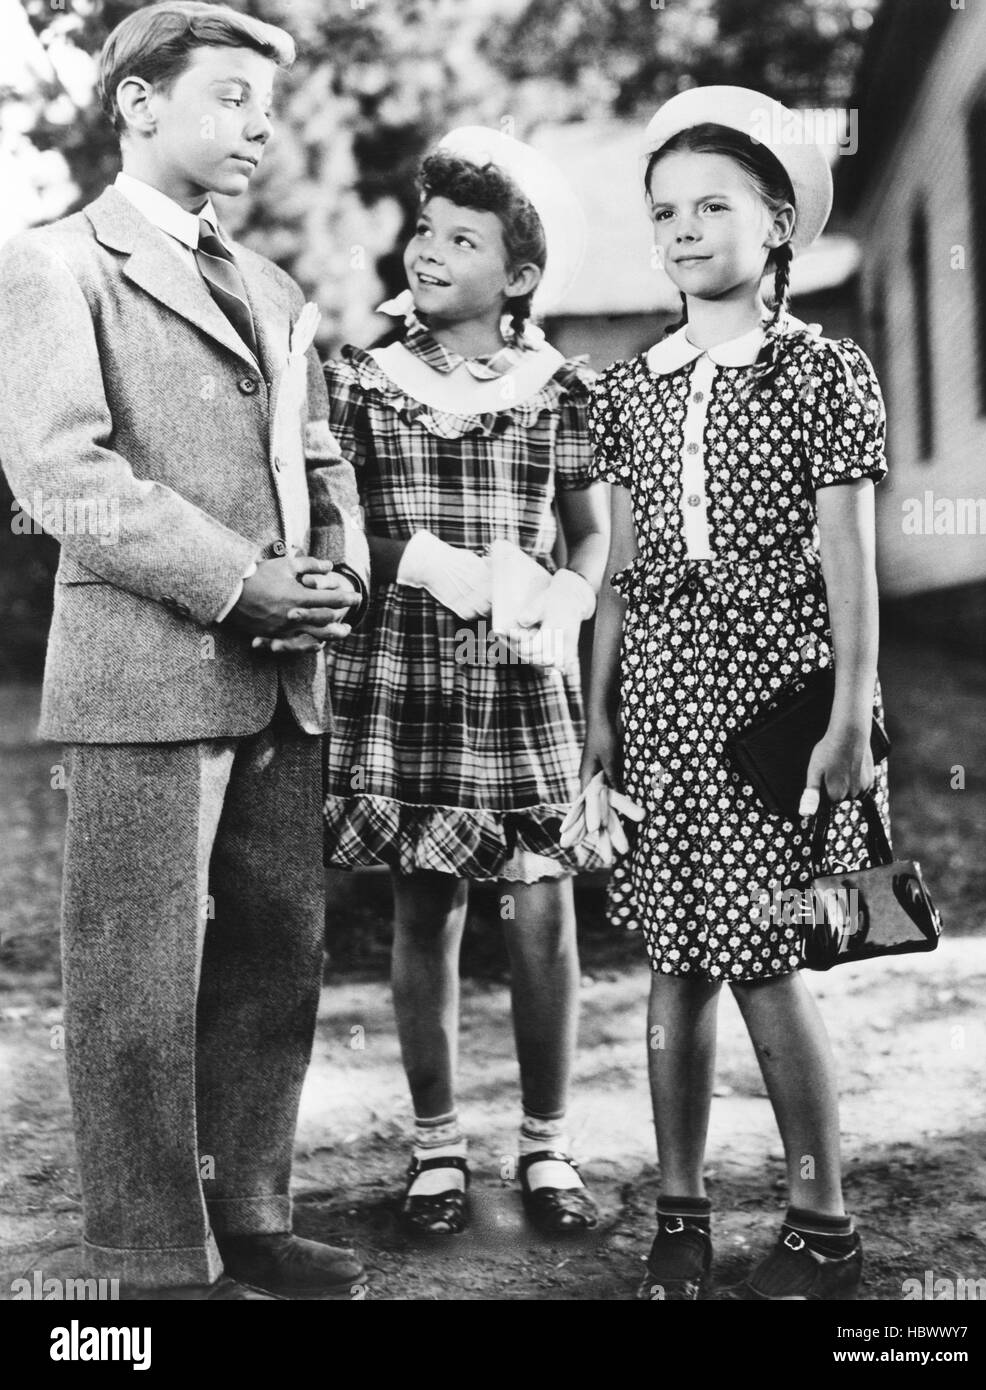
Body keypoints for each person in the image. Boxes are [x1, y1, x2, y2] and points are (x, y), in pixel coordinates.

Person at [0, 2, 371, 1300]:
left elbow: (319, 462)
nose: (258, 123)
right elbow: (61, 472)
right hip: (146, 673)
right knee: (136, 979)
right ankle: (155, 1258)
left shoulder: (270, 289)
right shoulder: (57, 263)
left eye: (266, 102)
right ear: (140, 104)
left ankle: (250, 1210)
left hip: (283, 681)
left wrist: (338, 570)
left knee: (279, 950)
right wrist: (238, 581)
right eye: (228, 95)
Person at [574, 86, 889, 1300]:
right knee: (673, 959)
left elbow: (846, 559)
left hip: (777, 696)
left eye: (713, 205)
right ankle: (680, 1209)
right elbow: (624, 568)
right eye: (665, 212)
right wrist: (599, 716)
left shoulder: (822, 372)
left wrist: (849, 714)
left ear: (776, 226)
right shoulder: (632, 388)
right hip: (656, 696)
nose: (684, 229)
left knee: (767, 950)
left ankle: (822, 1220)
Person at [320, 128, 609, 1236]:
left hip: (521, 678)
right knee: (423, 901)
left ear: (519, 275)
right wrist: (422, 561)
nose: (428, 248)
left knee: (540, 907)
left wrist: (570, 596)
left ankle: (546, 1144)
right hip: (408, 676)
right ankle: (436, 1147)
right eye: (425, 229)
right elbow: (342, 532)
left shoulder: (557, 389)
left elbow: (589, 538)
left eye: (461, 237)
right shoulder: (363, 383)